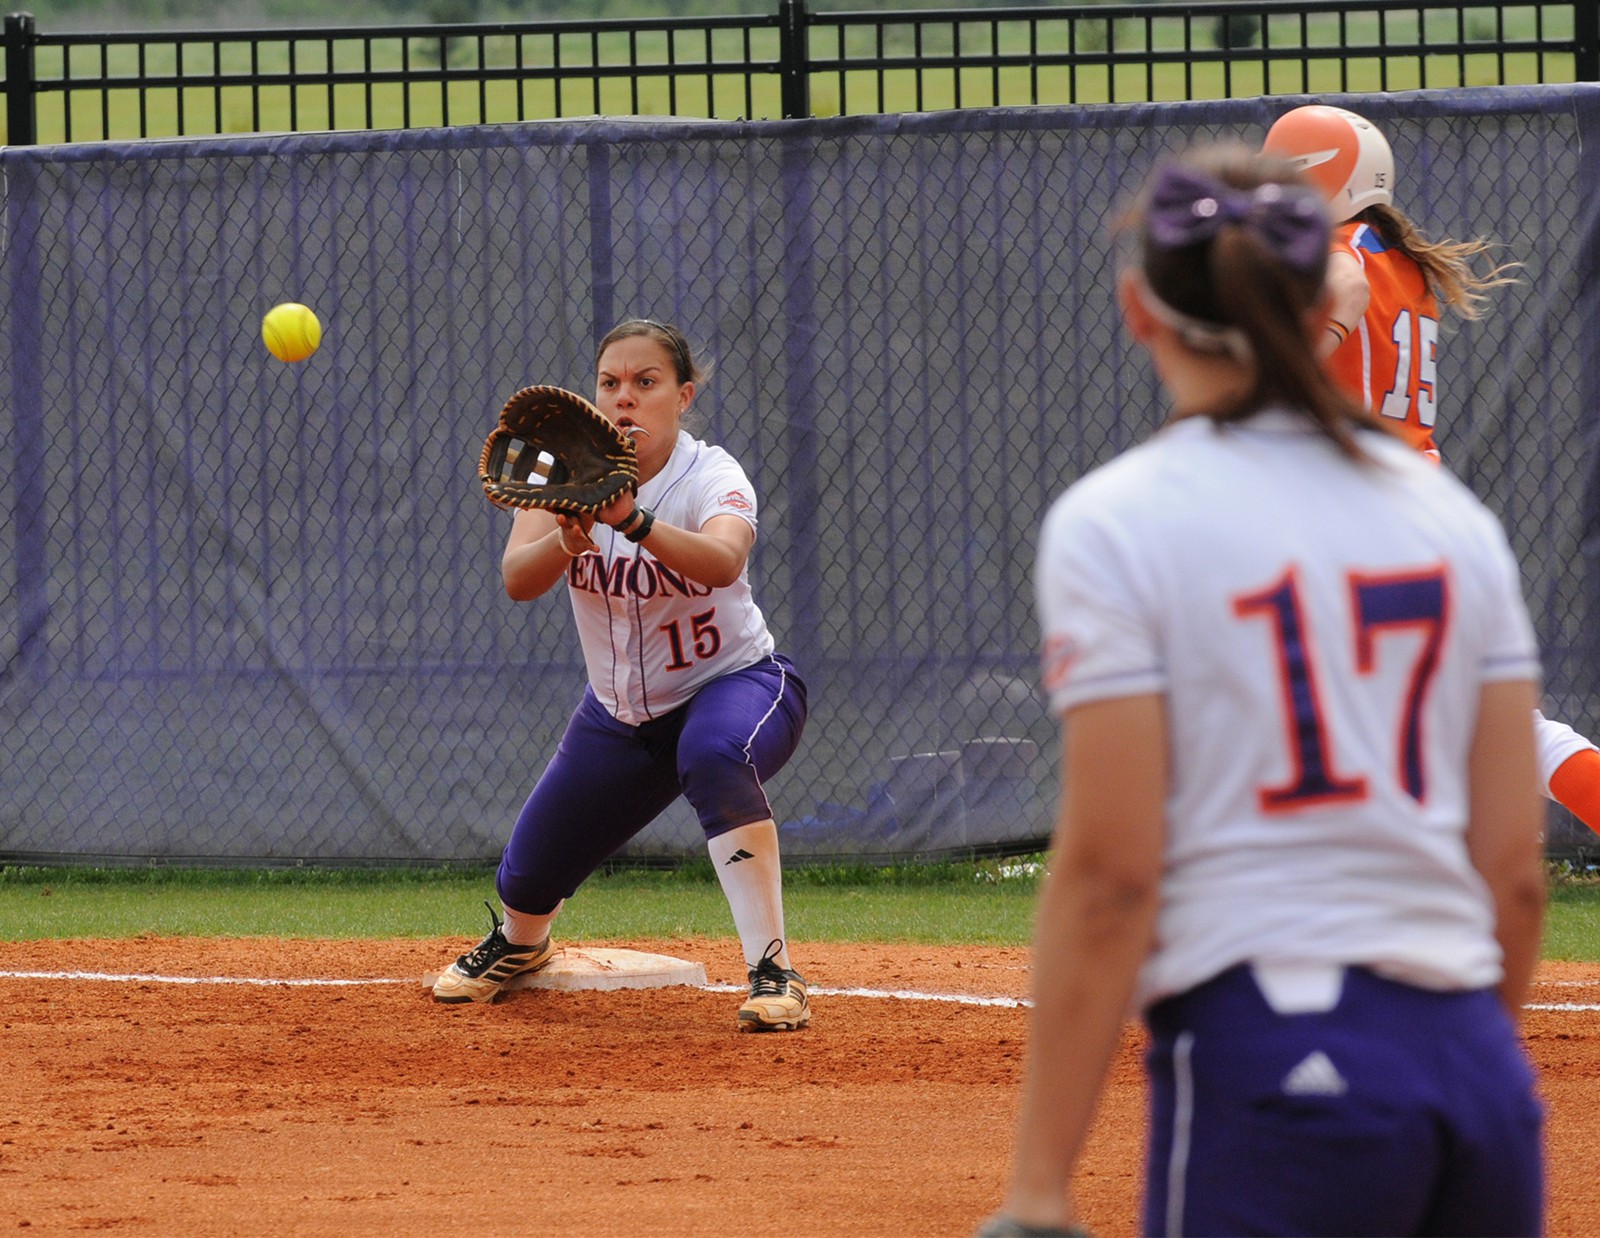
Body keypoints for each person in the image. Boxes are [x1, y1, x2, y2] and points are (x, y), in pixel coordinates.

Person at [980, 147, 1546, 1237]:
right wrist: (1466, 1066)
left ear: (1137, 307)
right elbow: (1512, 873)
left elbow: (1107, 877)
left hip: (1278, 1057)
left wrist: (1039, 1192)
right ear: (1319, 301)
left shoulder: (1121, 518)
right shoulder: (1447, 518)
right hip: (1477, 1077)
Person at [432, 318, 812, 1033]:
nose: (623, 399)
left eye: (646, 383)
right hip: (619, 716)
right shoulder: (558, 470)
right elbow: (518, 579)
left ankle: (774, 970)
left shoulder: (712, 474)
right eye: (610, 383)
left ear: (683, 395)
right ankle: (521, 949)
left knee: (714, 753)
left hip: (736, 686)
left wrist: (633, 523)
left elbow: (724, 560)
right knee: (526, 879)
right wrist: (565, 537)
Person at [1264, 102, 1600, 838]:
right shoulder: (1405, 261)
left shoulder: (1349, 249)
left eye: (1287, 178)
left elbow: (1344, 288)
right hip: (1417, 501)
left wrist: (1296, 353)